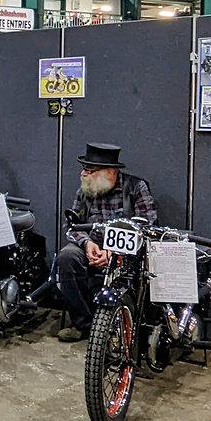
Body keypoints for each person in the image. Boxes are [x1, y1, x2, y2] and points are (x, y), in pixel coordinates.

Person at [56, 142, 158, 342]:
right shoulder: (85, 190)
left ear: (110, 172)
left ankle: (122, 326)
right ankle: (85, 324)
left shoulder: (136, 188)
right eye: (84, 169)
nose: (83, 174)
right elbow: (71, 226)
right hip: (92, 247)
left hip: (127, 253)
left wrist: (114, 252)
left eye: (90, 170)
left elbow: (149, 227)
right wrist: (86, 244)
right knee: (67, 257)